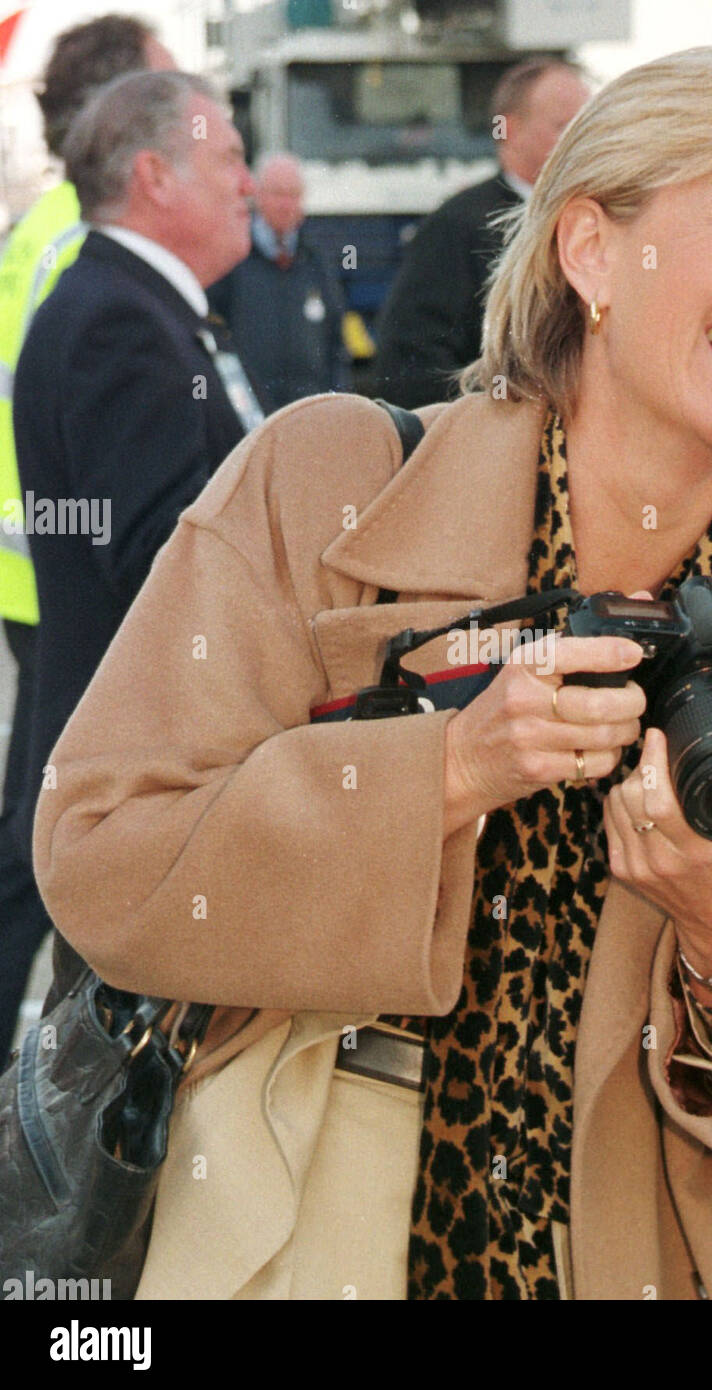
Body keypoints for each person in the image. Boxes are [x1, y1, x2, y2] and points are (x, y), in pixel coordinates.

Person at [33, 48, 712, 1301]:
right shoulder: (323, 485)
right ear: (590, 250)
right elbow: (106, 859)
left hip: (647, 1247)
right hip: (299, 1225)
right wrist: (442, 770)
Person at [14, 70, 260, 1012]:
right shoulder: (121, 320)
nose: (247, 179)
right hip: (148, 782)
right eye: (230, 155)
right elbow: (168, 557)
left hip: (142, 774)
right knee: (128, 1109)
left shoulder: (134, 307)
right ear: (156, 175)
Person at [0, 13, 174, 1064]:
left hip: (37, 562)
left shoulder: (54, 222)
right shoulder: (80, 232)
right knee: (48, 838)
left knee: (42, 829)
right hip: (58, 572)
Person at [373, 58, 589, 408]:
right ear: (510, 130)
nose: (581, 142)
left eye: (588, 127)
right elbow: (411, 362)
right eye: (564, 126)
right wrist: (499, 420)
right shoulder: (456, 226)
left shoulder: (597, 226)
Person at [208, 152, 352, 411]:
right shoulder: (230, 259)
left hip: (308, 418)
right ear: (257, 195)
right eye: (277, 194)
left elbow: (336, 345)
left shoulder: (317, 263)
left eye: (293, 195)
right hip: (249, 416)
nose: (286, 204)